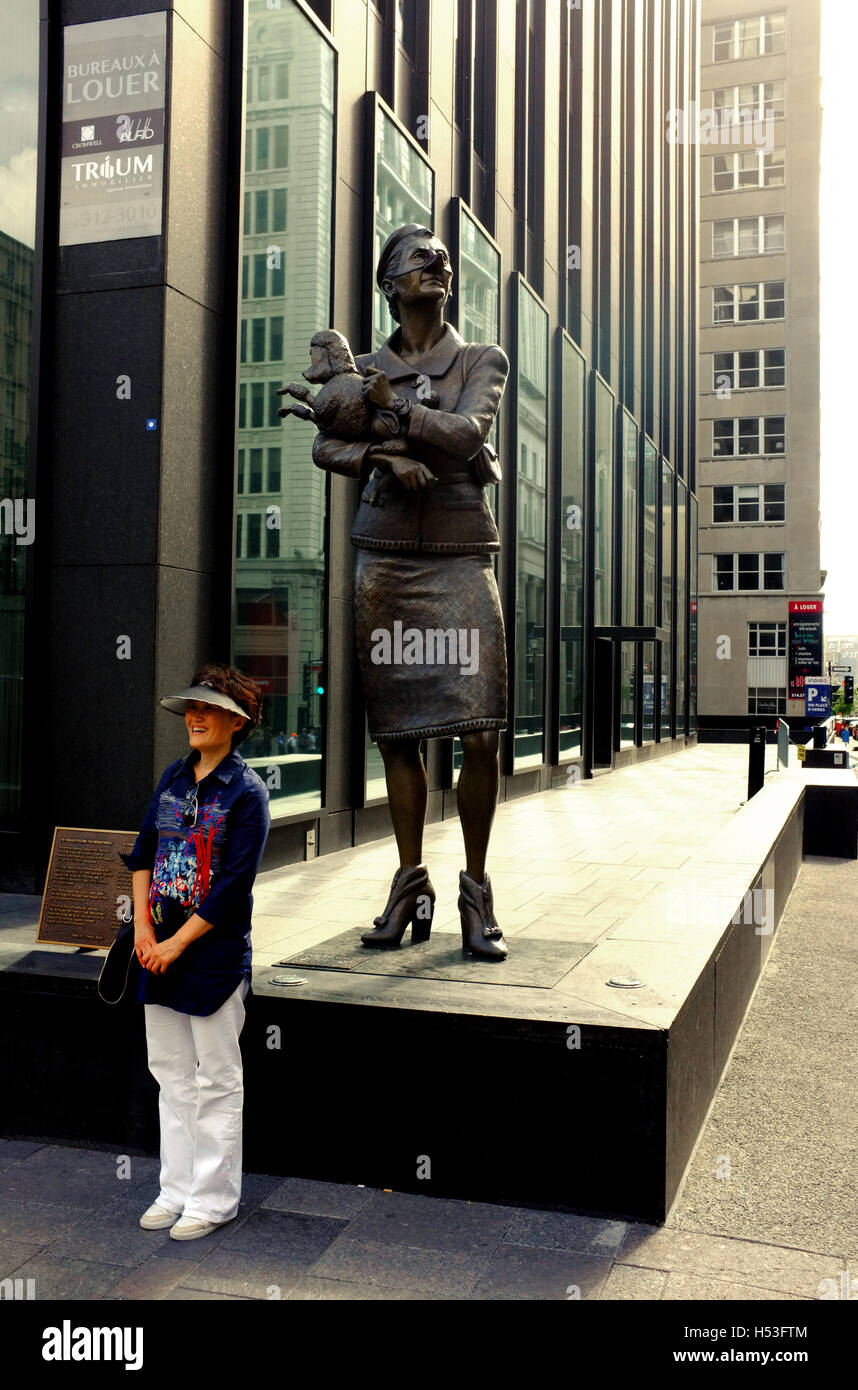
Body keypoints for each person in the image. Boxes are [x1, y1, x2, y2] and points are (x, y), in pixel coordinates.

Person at [312, 223, 510, 960]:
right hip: (386, 557)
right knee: (398, 733)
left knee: (480, 728)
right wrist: (382, 458)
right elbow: (324, 444)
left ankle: (476, 890)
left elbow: (466, 435)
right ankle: (408, 883)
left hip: (461, 553)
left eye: (439, 257)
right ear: (389, 285)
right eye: (414, 258)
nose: (434, 261)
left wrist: (389, 410)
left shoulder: (482, 358)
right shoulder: (361, 365)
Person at [119, 662, 270, 1241]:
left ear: (236, 721)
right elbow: (141, 856)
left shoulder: (247, 794)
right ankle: (174, 1189)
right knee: (172, 1073)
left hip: (210, 958)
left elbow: (235, 887)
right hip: (156, 949)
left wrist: (177, 942)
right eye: (192, 708)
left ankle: (211, 1200)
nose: (195, 717)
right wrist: (143, 934)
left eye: (208, 709)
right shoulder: (172, 779)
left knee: (216, 1078)